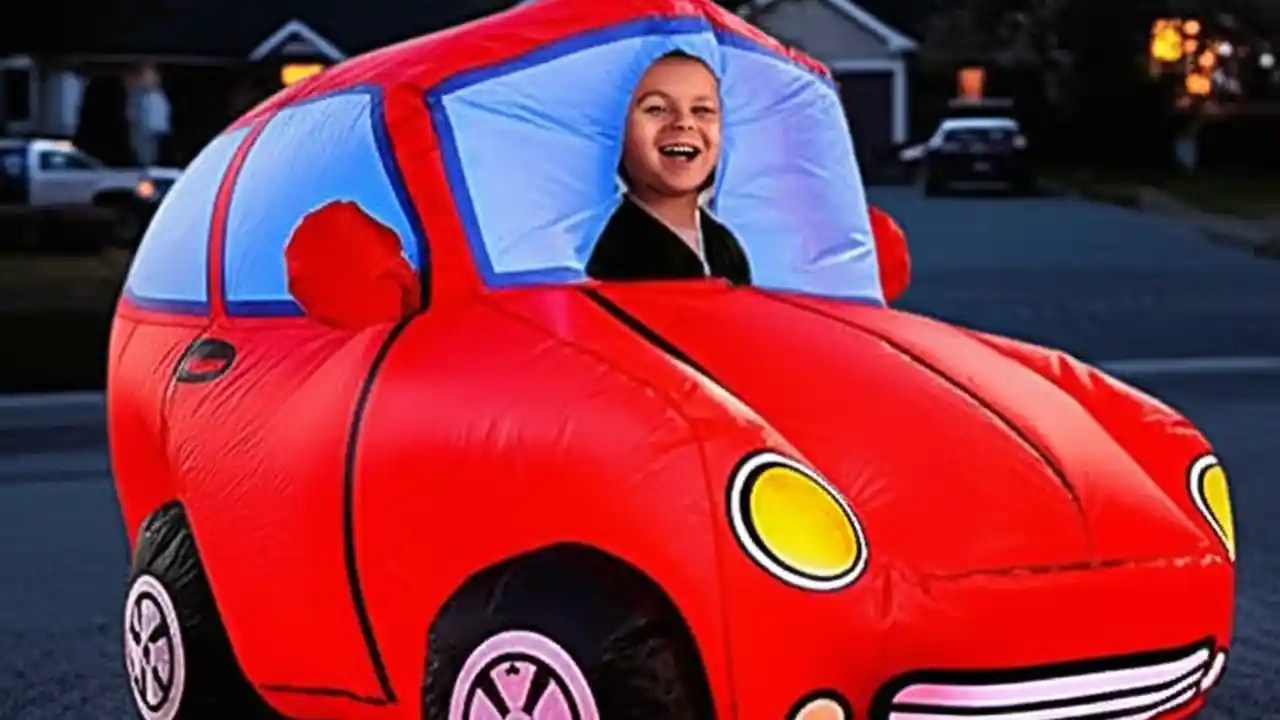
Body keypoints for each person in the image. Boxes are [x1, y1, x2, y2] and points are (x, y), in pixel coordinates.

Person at [587, 52, 752, 285]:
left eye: (702, 110)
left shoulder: (724, 244)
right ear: (616, 130)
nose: (684, 122)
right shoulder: (600, 248)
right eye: (657, 109)